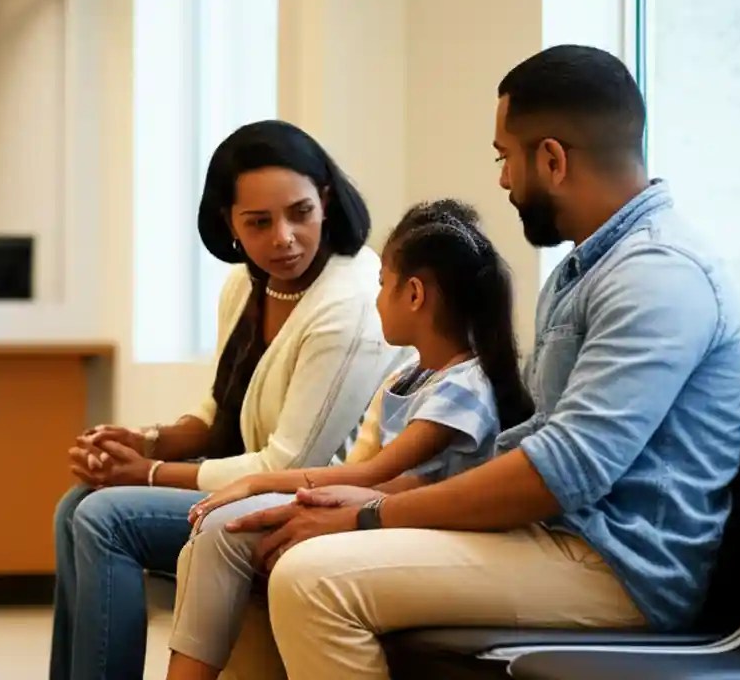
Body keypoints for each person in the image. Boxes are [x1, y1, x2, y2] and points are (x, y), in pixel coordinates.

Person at [199, 45, 740, 680]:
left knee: (311, 577)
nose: (502, 179)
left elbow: (562, 471)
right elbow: (535, 449)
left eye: (504, 157)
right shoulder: (591, 268)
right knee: (260, 546)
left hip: (617, 568)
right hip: (556, 537)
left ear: (551, 158)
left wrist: (370, 512)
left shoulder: (657, 276)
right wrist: (371, 494)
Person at [50, 120, 403, 680]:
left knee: (104, 517)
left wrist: (146, 474)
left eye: (300, 213)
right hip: (249, 485)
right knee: (75, 503)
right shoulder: (247, 283)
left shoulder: (348, 304)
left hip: (308, 497)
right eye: (259, 223)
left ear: (327, 201)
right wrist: (144, 441)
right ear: (229, 223)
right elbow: (219, 411)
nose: (283, 237)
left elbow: (288, 464)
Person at [164, 199, 534, 680]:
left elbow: (375, 474)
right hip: (392, 508)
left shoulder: (464, 385)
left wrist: (257, 484)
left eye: (382, 284)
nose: (376, 298)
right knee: (215, 535)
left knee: (226, 528)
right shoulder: (414, 374)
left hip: (430, 526)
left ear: (415, 294)